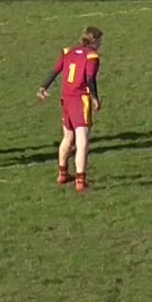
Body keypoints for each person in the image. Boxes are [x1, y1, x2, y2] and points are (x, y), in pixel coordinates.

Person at [38, 26, 103, 192]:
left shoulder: (68, 52)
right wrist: (95, 98)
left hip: (66, 99)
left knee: (67, 137)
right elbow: (90, 79)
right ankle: (80, 180)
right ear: (94, 40)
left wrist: (44, 87)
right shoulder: (92, 56)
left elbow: (55, 70)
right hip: (80, 100)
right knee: (82, 140)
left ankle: (62, 173)